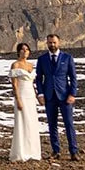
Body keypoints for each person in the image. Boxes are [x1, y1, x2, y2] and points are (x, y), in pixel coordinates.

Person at [34, 32, 78, 161]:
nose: (52, 45)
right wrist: (40, 94)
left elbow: (73, 77)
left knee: (69, 124)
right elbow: (39, 78)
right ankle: (56, 151)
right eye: (50, 42)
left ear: (59, 43)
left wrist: (72, 94)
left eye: (54, 42)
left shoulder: (67, 58)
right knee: (52, 125)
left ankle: (73, 151)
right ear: (46, 43)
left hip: (64, 96)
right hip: (49, 96)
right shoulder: (42, 59)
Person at [8, 43, 41, 162]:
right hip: (21, 94)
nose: (25, 52)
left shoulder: (31, 65)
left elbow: (33, 83)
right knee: (22, 122)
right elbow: (14, 84)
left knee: (31, 122)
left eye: (27, 50)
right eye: (22, 50)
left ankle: (32, 151)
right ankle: (21, 152)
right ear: (18, 52)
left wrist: (37, 96)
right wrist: (18, 100)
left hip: (30, 95)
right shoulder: (15, 65)